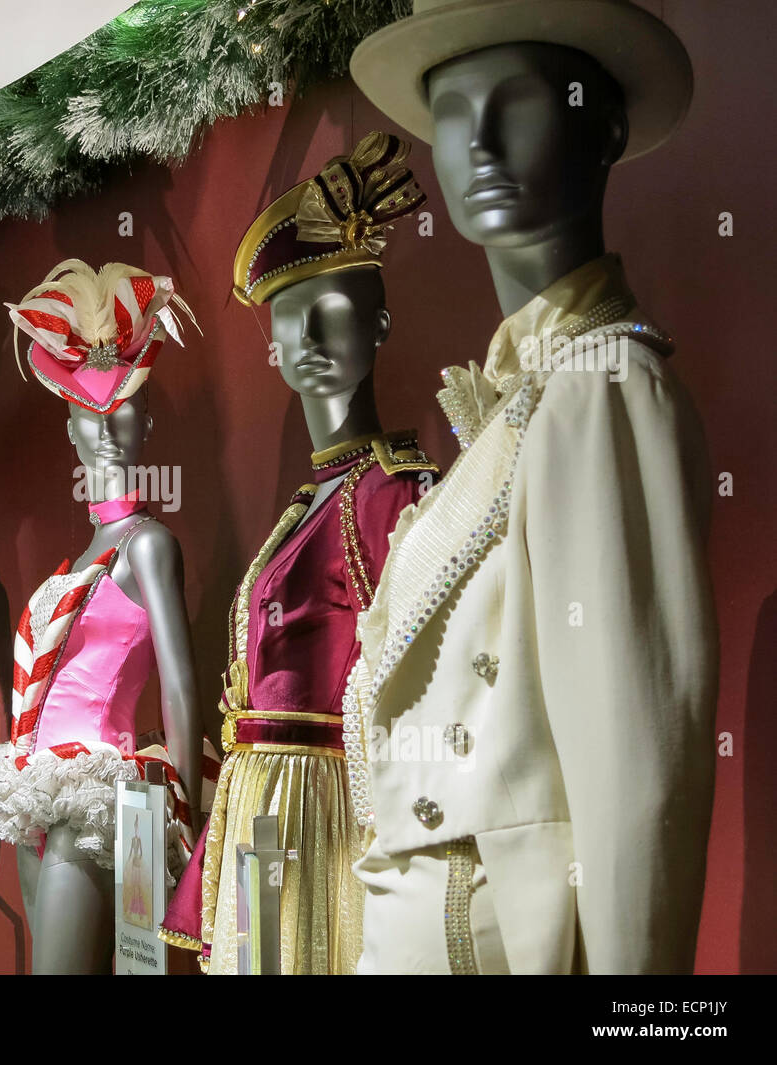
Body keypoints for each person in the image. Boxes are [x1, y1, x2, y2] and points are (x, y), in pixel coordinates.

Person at [346, 0, 717, 973]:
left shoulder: (602, 389)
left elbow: (638, 770)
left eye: (516, 103)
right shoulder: (529, 398)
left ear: (601, 129)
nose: (477, 143)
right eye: (451, 112)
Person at [160, 134, 435, 974]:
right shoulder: (311, 501)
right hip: (264, 809)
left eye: (335, 308)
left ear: (381, 320)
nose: (309, 335)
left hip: (324, 818)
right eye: (290, 315)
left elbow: (414, 700)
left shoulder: (393, 496)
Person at [0, 259, 209, 974]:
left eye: (126, 407)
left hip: (95, 797)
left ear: (146, 422)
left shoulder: (149, 545)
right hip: (37, 789)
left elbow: (181, 685)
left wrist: (191, 816)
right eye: (91, 410)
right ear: (71, 426)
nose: (109, 428)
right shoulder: (78, 557)